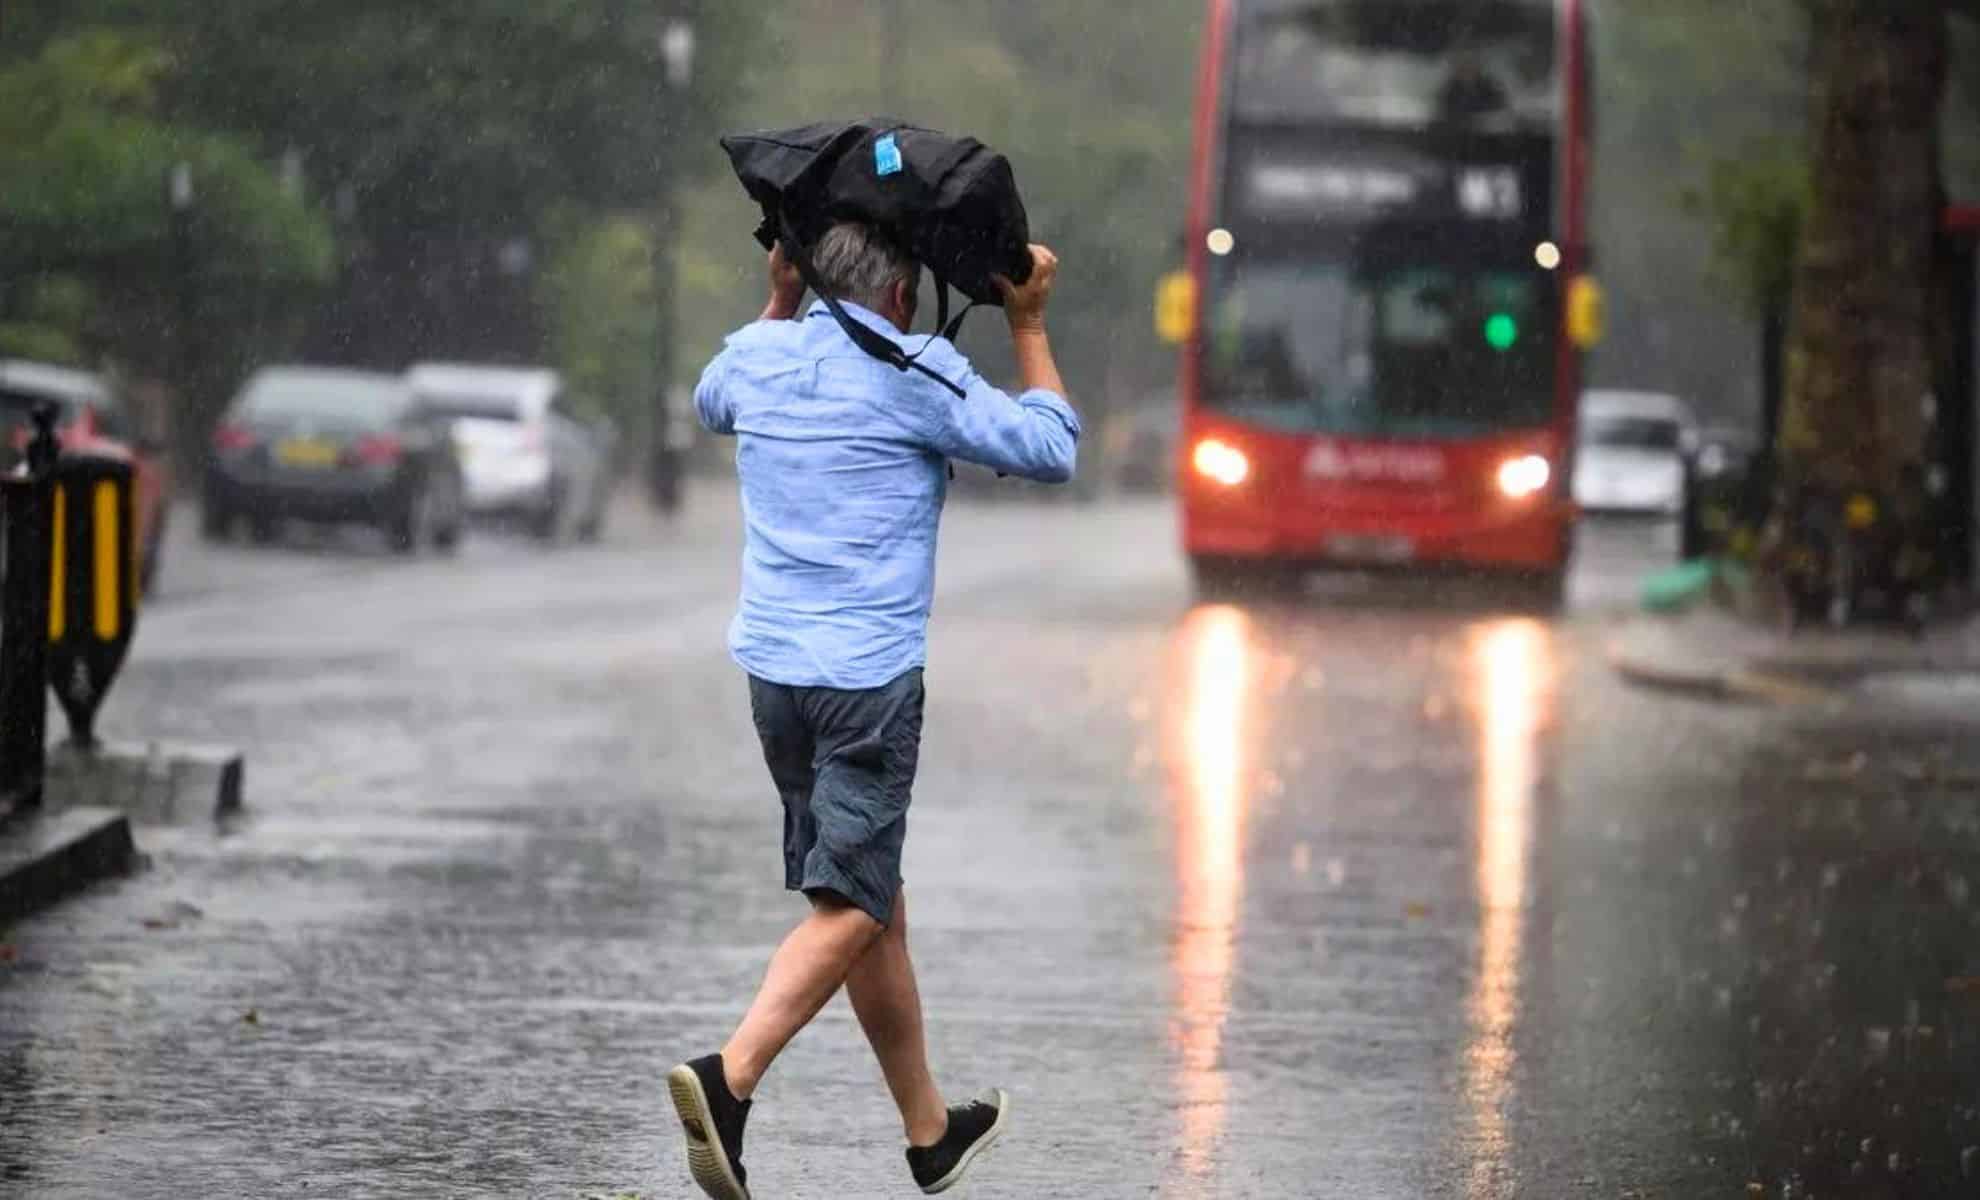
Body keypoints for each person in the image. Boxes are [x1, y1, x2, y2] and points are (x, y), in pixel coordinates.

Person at [668, 222, 1077, 1199]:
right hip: (864, 683)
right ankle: (731, 1080)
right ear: (901, 293)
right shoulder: (917, 369)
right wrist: (1027, 325)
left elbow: (708, 400)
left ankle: (929, 1131)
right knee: (852, 902)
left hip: (776, 678)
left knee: (870, 903)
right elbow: (1051, 448)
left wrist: (777, 300)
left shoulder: (761, 354)